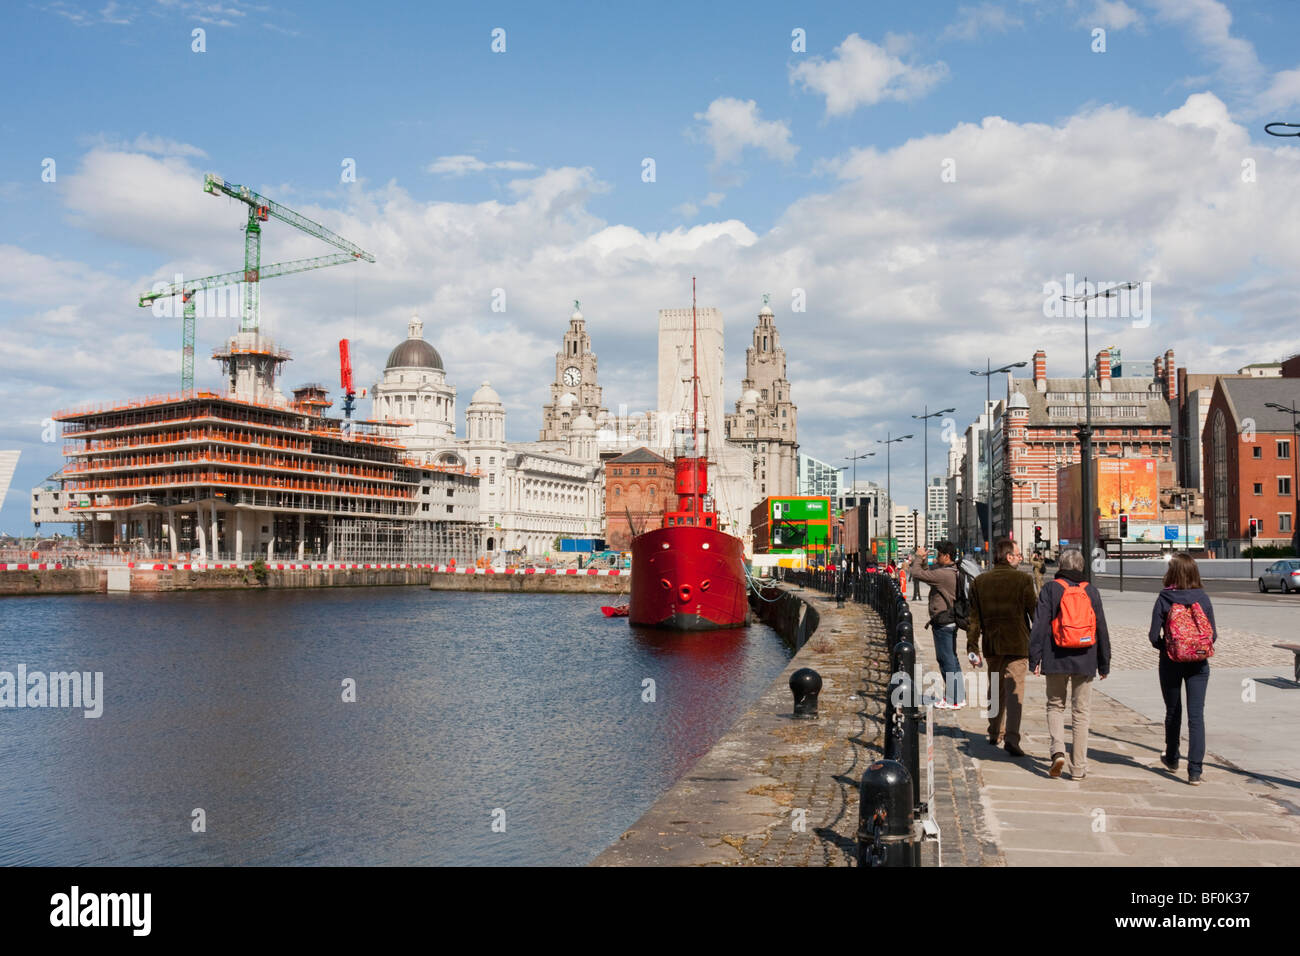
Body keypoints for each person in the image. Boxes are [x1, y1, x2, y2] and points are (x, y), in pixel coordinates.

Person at [1028, 548, 1110, 780]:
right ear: (1081, 566)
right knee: (1081, 712)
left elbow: (1039, 626)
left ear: (1061, 566)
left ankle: (1057, 751)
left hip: (1056, 656)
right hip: (1086, 657)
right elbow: (1101, 628)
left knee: (1055, 705)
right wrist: (1104, 663)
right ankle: (1078, 768)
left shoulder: (1051, 589)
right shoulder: (1091, 591)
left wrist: (1035, 658)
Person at [1149, 553, 1217, 785]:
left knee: (1173, 711)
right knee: (1196, 716)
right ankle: (1195, 771)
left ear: (1172, 572)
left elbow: (1152, 635)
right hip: (1198, 664)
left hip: (1171, 663)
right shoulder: (1203, 598)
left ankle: (1172, 757)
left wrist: (1167, 647)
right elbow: (1213, 635)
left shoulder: (1165, 597)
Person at [967, 537, 1037, 757]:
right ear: (1008, 557)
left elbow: (974, 621)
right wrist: (1040, 644)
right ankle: (1012, 738)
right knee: (1015, 691)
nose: (1020, 558)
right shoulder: (1023, 580)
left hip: (993, 644)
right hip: (1018, 644)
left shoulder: (980, 582)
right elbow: (1035, 614)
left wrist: (972, 648)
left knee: (995, 689)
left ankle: (995, 730)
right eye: (1017, 555)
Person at [910, 541, 965, 709]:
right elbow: (927, 575)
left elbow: (916, 574)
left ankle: (953, 699)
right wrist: (925, 561)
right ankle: (958, 697)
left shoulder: (944, 574)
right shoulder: (951, 571)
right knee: (952, 659)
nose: (937, 556)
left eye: (939, 554)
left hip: (943, 621)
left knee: (945, 659)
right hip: (949, 620)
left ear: (947, 556)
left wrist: (919, 557)